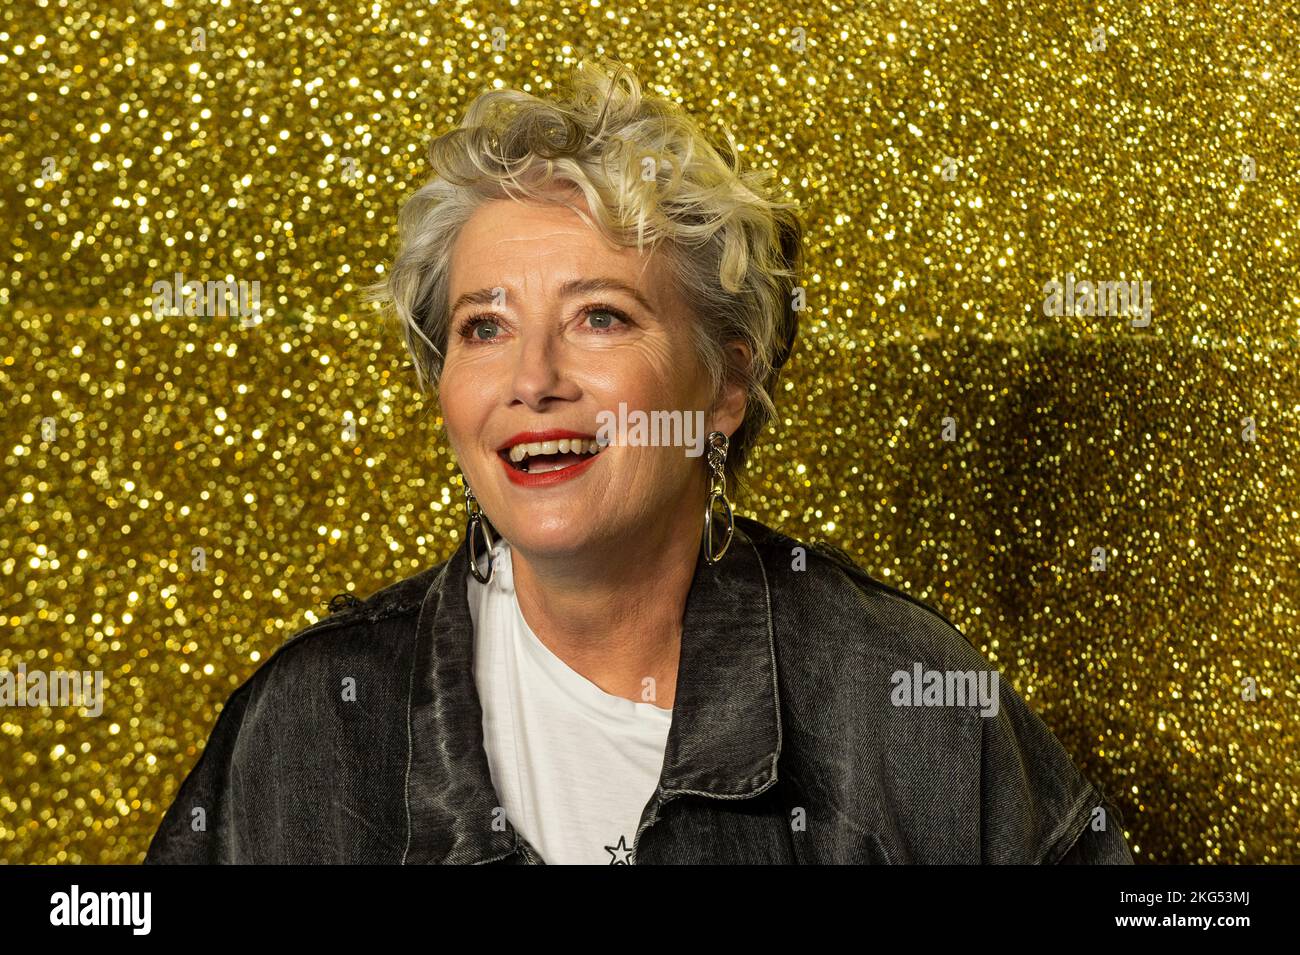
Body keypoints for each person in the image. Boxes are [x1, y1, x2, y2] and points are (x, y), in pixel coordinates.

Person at [145, 58, 1134, 864]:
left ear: (725, 384)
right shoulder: (309, 723)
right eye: (484, 326)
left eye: (601, 317)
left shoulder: (898, 700)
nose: (532, 379)